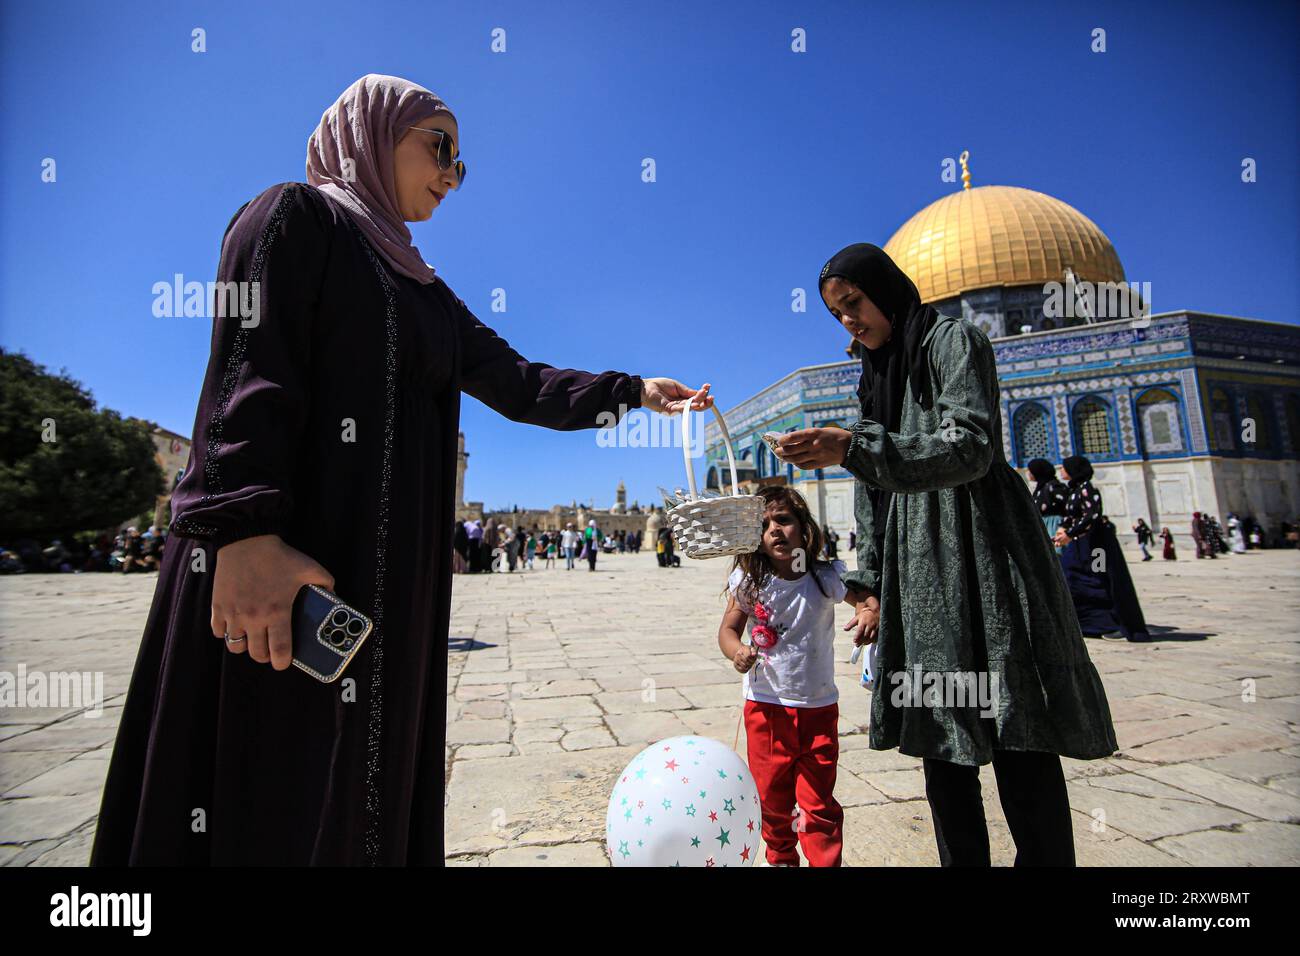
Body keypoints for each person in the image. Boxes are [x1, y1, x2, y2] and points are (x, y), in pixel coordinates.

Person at [90, 74, 713, 867]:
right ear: (373, 133)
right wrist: (242, 535)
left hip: (383, 603)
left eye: (464, 162)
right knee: (263, 788)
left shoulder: (428, 296)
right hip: (281, 574)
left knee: (362, 794)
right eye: (440, 146)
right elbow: (248, 371)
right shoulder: (293, 217)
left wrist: (632, 392)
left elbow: (522, 385)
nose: (453, 173)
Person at [779, 242, 1116, 867]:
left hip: (984, 545)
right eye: (838, 314)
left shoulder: (952, 343)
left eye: (855, 303)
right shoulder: (874, 375)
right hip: (919, 561)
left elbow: (970, 445)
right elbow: (873, 490)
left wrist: (855, 446)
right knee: (940, 729)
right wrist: (871, 581)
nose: (850, 320)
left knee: (1016, 724)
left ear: (886, 289)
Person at [717, 487, 873, 867]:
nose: (774, 530)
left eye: (783, 520)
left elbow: (866, 600)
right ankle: (782, 857)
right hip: (767, 709)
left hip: (818, 709)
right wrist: (737, 652)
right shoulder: (750, 581)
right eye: (764, 524)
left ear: (804, 529)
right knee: (772, 800)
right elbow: (727, 630)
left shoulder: (824, 578)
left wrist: (870, 612)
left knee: (818, 803)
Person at [1054, 456, 1150, 642]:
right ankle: (1090, 624)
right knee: (1076, 579)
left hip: (1096, 546)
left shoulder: (1088, 490)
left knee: (1100, 576)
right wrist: (1062, 531)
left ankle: (1113, 624)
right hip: (1079, 547)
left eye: (1064, 468)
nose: (1061, 470)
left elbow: (1092, 515)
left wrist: (1070, 533)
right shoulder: (1074, 491)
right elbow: (1072, 516)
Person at [1026, 457, 1068, 554]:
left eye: (1031, 470)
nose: (1028, 473)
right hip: (1043, 527)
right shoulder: (1040, 488)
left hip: (1053, 527)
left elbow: (1066, 506)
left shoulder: (1053, 486)